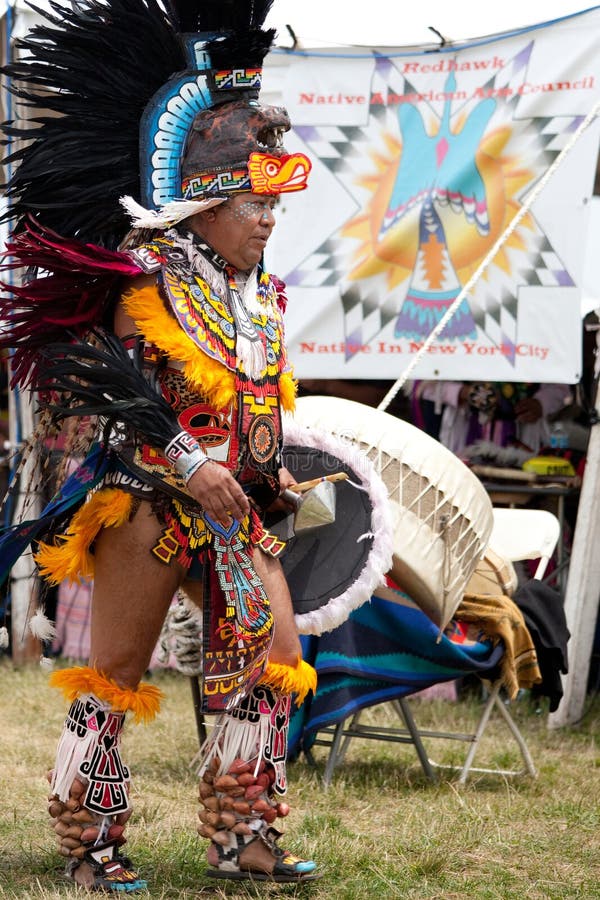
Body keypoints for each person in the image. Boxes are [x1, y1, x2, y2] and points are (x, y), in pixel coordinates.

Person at [0, 0, 319, 890]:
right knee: (115, 677)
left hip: (239, 511)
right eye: (254, 200)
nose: (267, 218)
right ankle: (92, 846)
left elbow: (256, 396)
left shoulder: (265, 295)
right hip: (148, 505)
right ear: (206, 202)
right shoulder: (146, 279)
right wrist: (194, 464)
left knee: (273, 659)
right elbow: (113, 387)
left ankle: (244, 836)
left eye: (274, 201)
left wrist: (267, 465)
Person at [415, 380, 573, 457]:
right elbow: (424, 384)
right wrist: (464, 392)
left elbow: (561, 387)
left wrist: (540, 403)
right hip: (465, 437)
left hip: (523, 438)